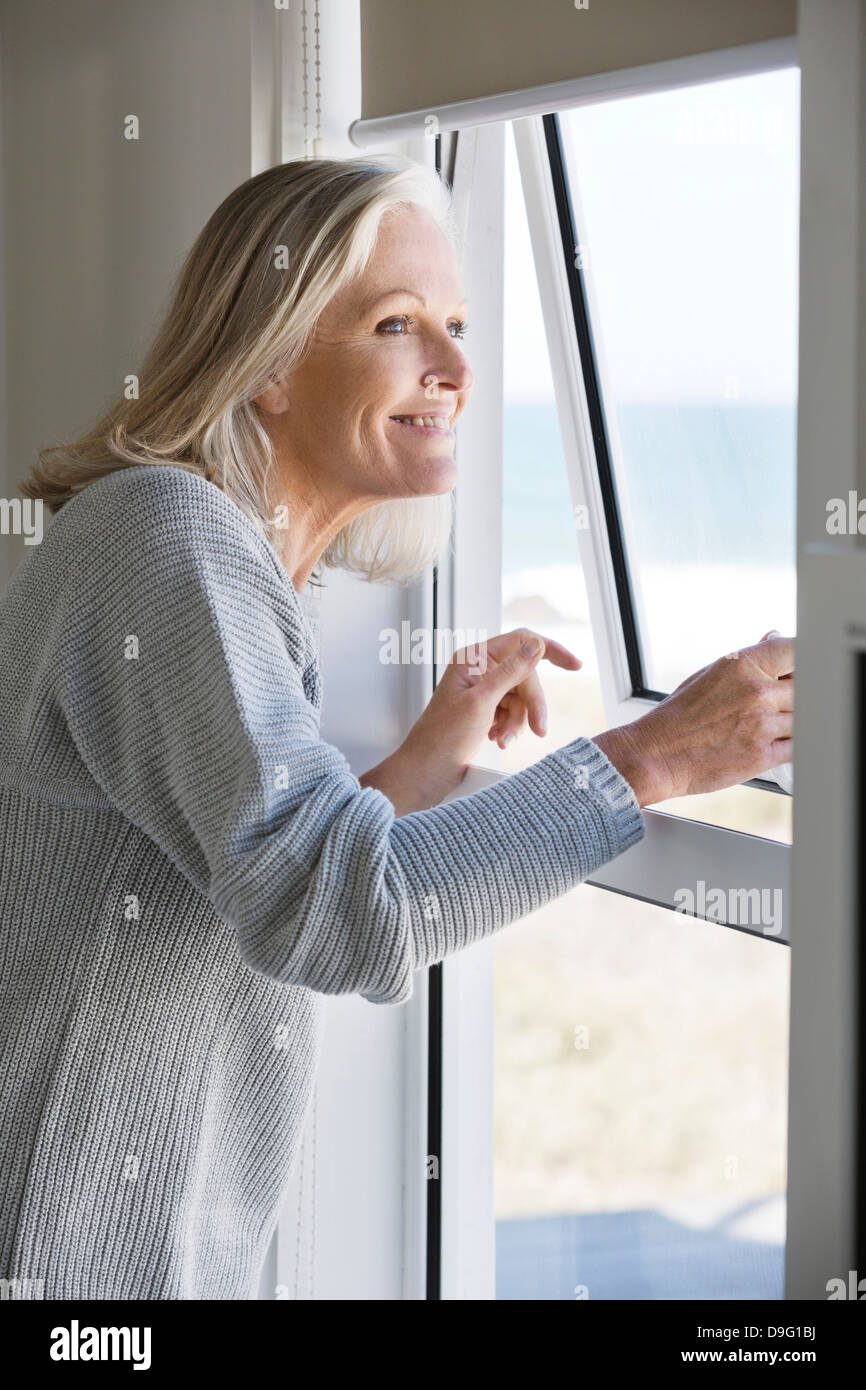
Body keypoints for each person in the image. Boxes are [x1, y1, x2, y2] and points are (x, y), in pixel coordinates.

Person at [0, 156, 794, 1299]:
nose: (458, 370)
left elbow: (246, 865)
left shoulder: (206, 551)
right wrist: (649, 756)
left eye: (458, 325)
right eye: (397, 325)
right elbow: (337, 915)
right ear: (268, 358)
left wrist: (418, 767)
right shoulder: (168, 537)